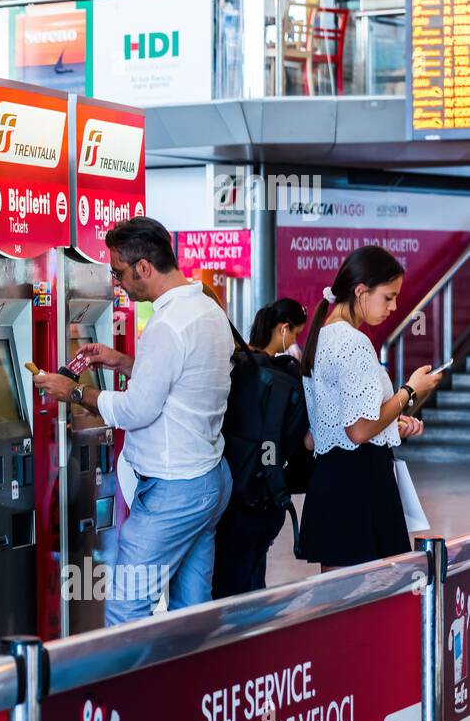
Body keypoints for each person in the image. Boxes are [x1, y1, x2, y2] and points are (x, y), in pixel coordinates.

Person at [32, 217, 234, 624]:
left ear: (144, 268)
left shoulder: (167, 324)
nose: (117, 283)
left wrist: (72, 392)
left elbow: (137, 410)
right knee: (191, 611)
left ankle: (125, 690)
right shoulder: (207, 311)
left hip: (173, 491)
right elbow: (181, 378)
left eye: (119, 272)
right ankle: (190, 686)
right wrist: (124, 362)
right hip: (209, 479)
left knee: (126, 612)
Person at [298, 246, 443, 569]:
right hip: (359, 484)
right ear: (361, 291)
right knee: (369, 603)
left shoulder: (322, 336)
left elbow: (342, 421)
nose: (394, 306)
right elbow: (359, 429)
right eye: (388, 297)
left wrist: (394, 422)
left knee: (339, 601)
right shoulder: (352, 341)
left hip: (333, 479)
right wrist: (410, 390)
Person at [212, 298, 309, 598]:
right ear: (283, 329)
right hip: (265, 494)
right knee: (252, 578)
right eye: (294, 334)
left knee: (227, 580)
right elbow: (302, 441)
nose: (294, 341)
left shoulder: (233, 363)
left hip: (229, 488)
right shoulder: (285, 376)